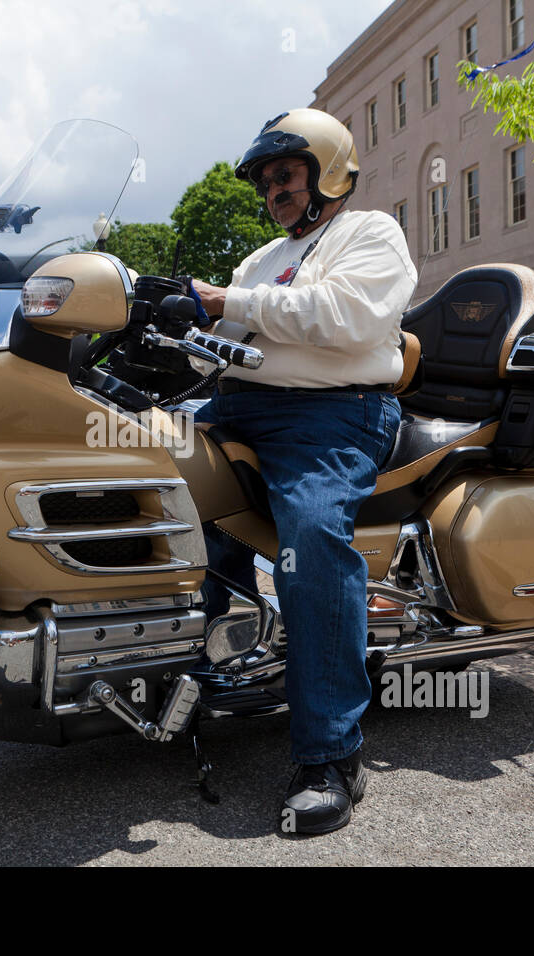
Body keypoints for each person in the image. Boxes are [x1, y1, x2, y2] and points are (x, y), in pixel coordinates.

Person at [188, 108, 418, 835]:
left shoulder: (369, 234)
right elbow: (209, 348)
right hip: (236, 409)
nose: (274, 191)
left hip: (333, 413)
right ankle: (179, 672)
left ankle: (330, 756)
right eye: (266, 181)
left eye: (285, 174)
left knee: (312, 539)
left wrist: (228, 304)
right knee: (152, 499)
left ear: (327, 169)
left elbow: (347, 317)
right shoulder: (258, 259)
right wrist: (171, 326)